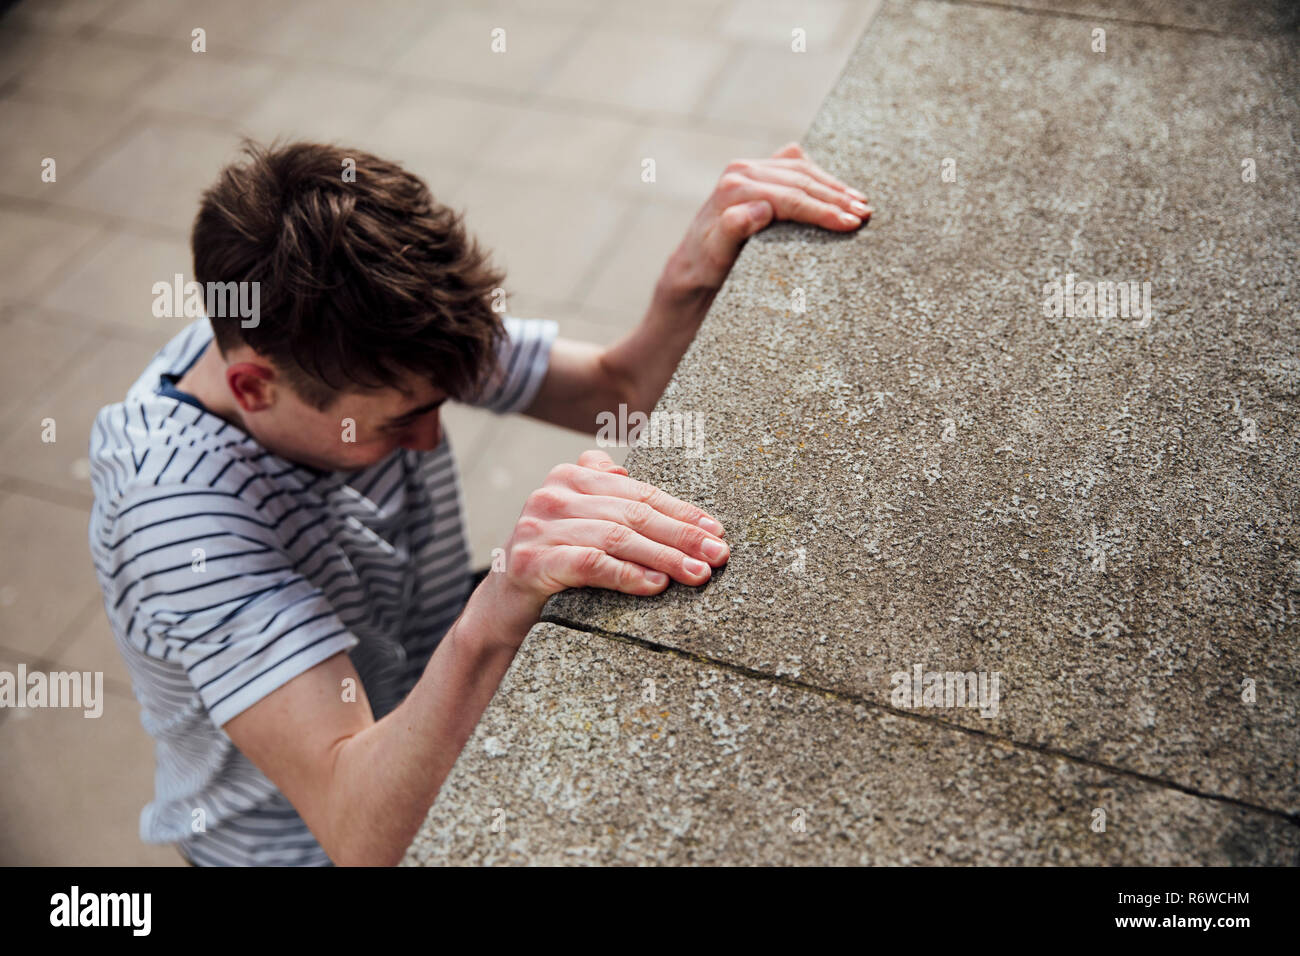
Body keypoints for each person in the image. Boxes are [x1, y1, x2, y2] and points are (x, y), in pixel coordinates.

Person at [87, 139, 870, 866]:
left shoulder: (359, 331)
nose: (431, 440)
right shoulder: (181, 520)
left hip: (409, 684)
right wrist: (496, 608)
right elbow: (359, 827)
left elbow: (618, 395)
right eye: (400, 421)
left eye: (446, 402)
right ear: (254, 388)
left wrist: (688, 281)